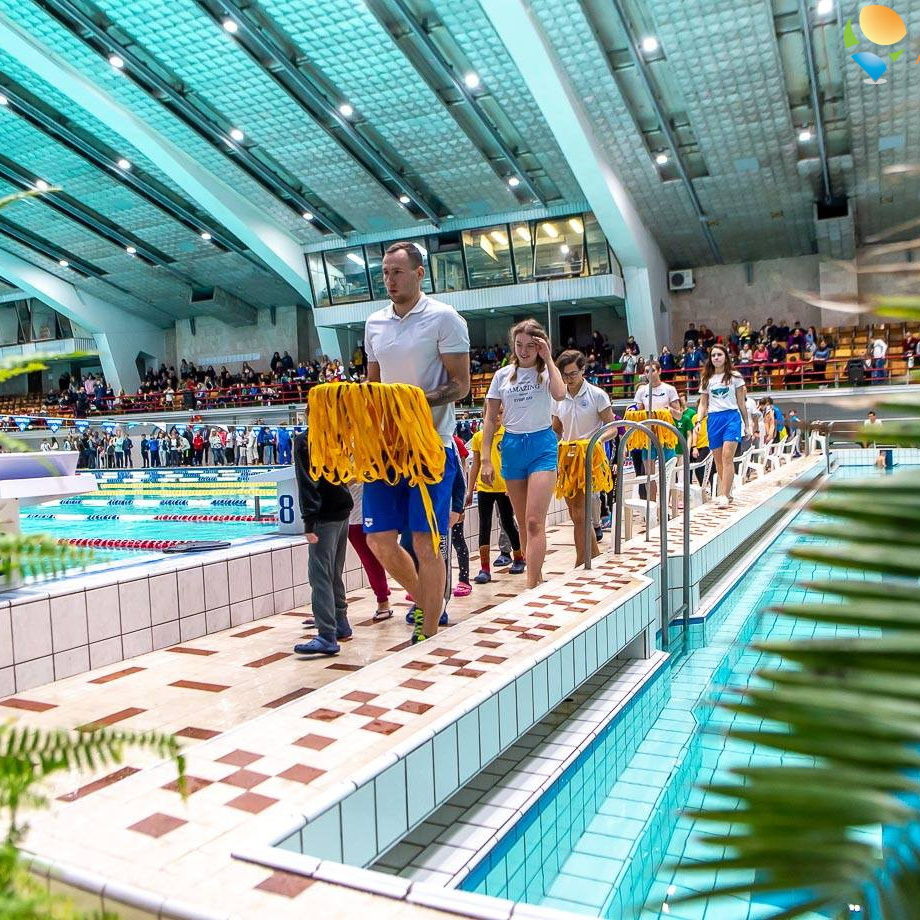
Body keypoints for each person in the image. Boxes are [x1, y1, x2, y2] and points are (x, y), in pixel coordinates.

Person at [363, 241, 470, 645]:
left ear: (419, 273)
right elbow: (374, 386)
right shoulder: (374, 323)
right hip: (386, 448)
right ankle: (429, 601)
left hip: (430, 445)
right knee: (379, 540)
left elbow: (460, 385)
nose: (390, 280)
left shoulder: (445, 318)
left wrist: (413, 401)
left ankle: (427, 635)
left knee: (426, 542)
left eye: (397, 272)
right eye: (385, 273)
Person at [481, 318, 565, 589]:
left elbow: (560, 394)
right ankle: (535, 577)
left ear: (540, 346)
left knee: (533, 521)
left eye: (531, 345)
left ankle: (530, 586)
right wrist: (485, 458)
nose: (525, 350)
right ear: (513, 345)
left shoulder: (546, 373)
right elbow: (490, 419)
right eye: (519, 345)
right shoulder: (502, 376)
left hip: (542, 445)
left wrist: (548, 358)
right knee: (522, 521)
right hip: (512, 446)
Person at [552, 350, 616, 567]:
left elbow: (612, 428)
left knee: (580, 513)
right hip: (567, 458)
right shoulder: (558, 397)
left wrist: (596, 441)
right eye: (565, 375)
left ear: (583, 370)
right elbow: (556, 429)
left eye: (573, 374)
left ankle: (581, 562)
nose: (569, 379)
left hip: (588, 458)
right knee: (575, 513)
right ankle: (593, 555)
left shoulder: (597, 395)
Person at [292, 431, 353, 656]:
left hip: (324, 516)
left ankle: (327, 634)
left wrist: (309, 520)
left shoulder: (305, 440)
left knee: (319, 575)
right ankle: (340, 622)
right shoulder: (337, 434)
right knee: (333, 572)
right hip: (342, 510)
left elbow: (307, 482)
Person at [466, 406, 525, 584]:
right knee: (484, 525)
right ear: (484, 415)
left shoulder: (508, 434)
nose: (497, 416)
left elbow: (515, 462)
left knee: (507, 523)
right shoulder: (479, 437)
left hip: (505, 487)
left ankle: (519, 557)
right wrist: (470, 489)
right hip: (485, 488)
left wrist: (515, 486)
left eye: (500, 412)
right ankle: (484, 568)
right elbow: (476, 465)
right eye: (492, 412)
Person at [695, 344, 749, 507]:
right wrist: (698, 421)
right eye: (713, 355)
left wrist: (747, 425)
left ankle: (724, 495)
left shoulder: (735, 377)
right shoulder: (706, 379)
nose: (716, 357)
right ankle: (728, 491)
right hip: (713, 419)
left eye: (719, 354)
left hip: (731, 417)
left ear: (726, 357)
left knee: (727, 457)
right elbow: (703, 404)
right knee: (718, 460)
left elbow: (741, 403)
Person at [346, 481, 392, 621]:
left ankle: (383, 600)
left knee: (370, 559)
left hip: (360, 513)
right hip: (335, 513)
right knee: (327, 564)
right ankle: (325, 608)